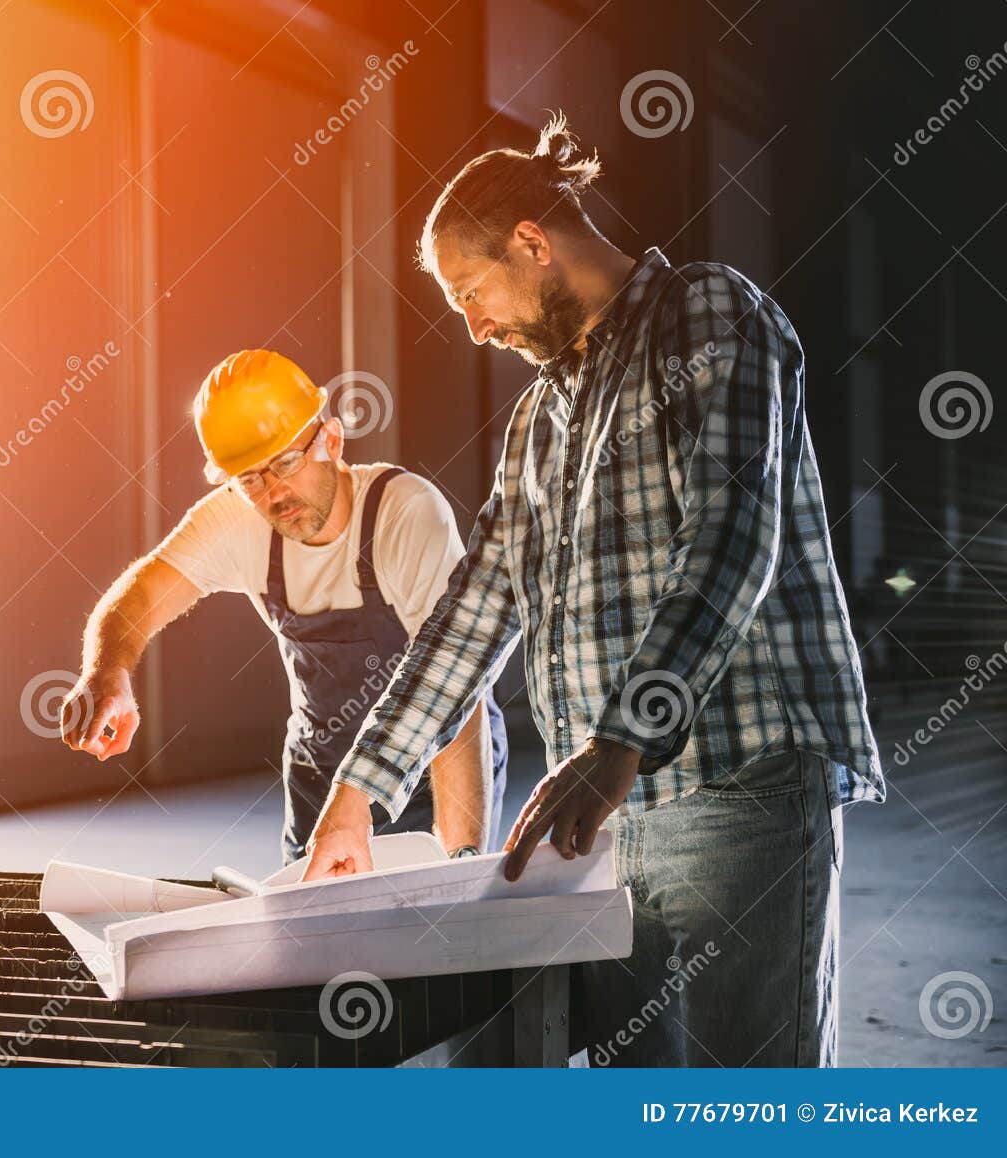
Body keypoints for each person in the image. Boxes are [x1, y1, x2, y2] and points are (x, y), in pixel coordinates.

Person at [302, 113, 883, 1067]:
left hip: (737, 790)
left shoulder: (706, 316)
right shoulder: (540, 417)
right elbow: (474, 606)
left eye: (471, 293)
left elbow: (732, 540)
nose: (476, 327)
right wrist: (362, 786)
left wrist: (621, 743)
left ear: (532, 243)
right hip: (606, 810)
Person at [59, 349, 508, 865]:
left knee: (429, 929)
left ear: (332, 439)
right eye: (250, 478)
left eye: (287, 463)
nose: (274, 493)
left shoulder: (405, 514)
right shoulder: (237, 518)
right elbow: (140, 592)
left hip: (431, 771)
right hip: (320, 778)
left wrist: (459, 863)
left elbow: (455, 691)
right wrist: (106, 668)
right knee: (313, 938)